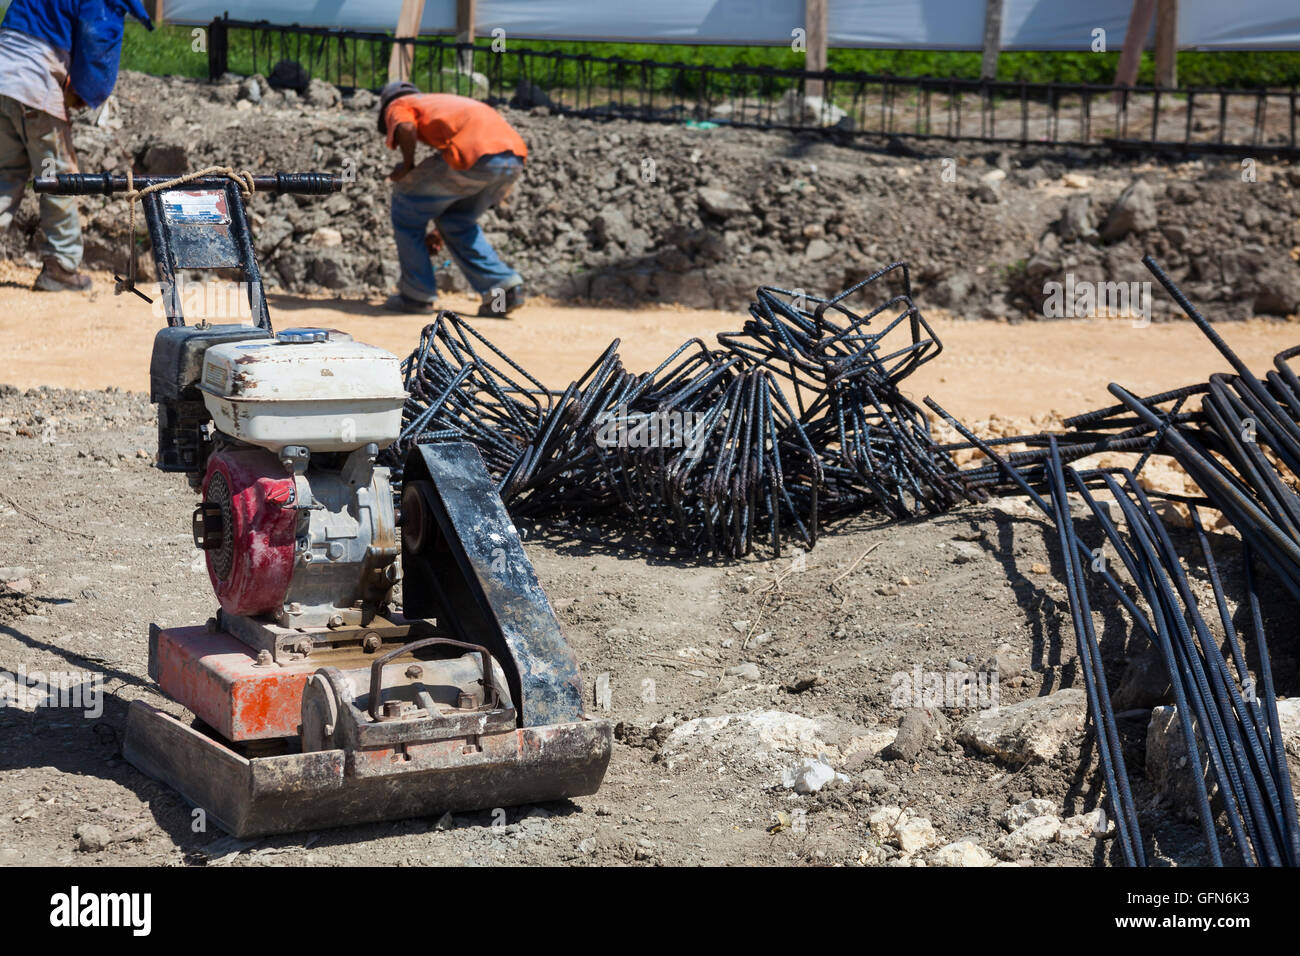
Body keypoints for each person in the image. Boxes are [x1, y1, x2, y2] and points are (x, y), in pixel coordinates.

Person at [0, 0, 153, 292]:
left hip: (2, 79)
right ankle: (61, 266)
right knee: (58, 179)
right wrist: (84, 89)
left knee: (5, 175)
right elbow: (97, 42)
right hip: (34, 87)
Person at [378, 82, 528, 317]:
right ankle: (503, 288)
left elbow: (405, 127)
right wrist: (439, 230)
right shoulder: (443, 101)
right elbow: (451, 197)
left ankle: (416, 295)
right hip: (513, 159)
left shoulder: (400, 103)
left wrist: (408, 166)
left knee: (405, 205)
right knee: (456, 221)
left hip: (475, 155)